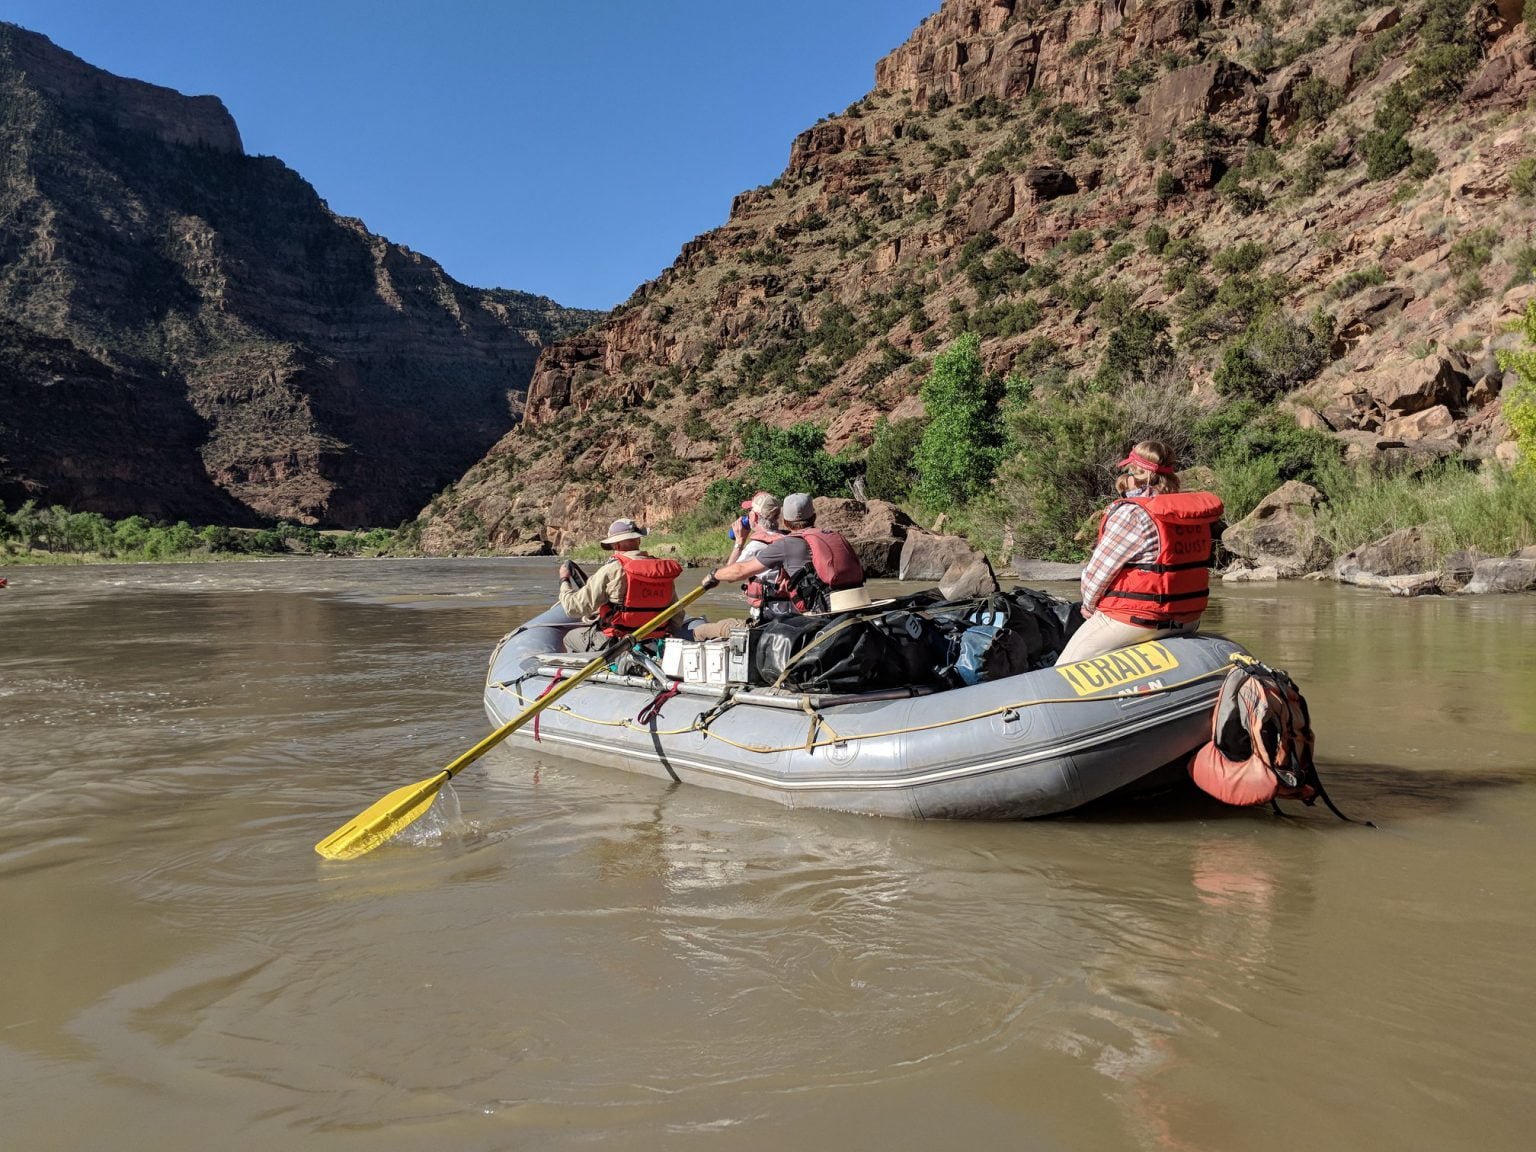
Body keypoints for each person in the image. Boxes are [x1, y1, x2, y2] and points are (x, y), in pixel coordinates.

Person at [1054, 441, 1224, 665]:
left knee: (1064, 668)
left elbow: (1097, 575)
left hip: (1134, 619)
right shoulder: (1189, 516)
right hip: (1188, 620)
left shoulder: (1132, 514)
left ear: (1137, 473)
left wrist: (1088, 609)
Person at [704, 492, 869, 615]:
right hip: (847, 603)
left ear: (786, 521)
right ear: (814, 516)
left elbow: (736, 572)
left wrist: (714, 574)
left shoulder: (783, 544)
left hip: (780, 617)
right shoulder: (829, 535)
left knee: (709, 631)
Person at [557, 518, 683, 652]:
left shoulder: (612, 569)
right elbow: (677, 614)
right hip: (654, 641)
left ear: (615, 545)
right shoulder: (661, 570)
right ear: (639, 540)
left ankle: (596, 669)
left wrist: (564, 580)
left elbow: (574, 608)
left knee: (570, 638)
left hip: (618, 642)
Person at [691, 490, 789, 640]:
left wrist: (739, 542)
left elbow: (730, 574)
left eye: (749, 511)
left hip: (764, 624)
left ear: (755, 516)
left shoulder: (757, 545)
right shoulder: (788, 539)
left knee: (700, 631)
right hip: (789, 619)